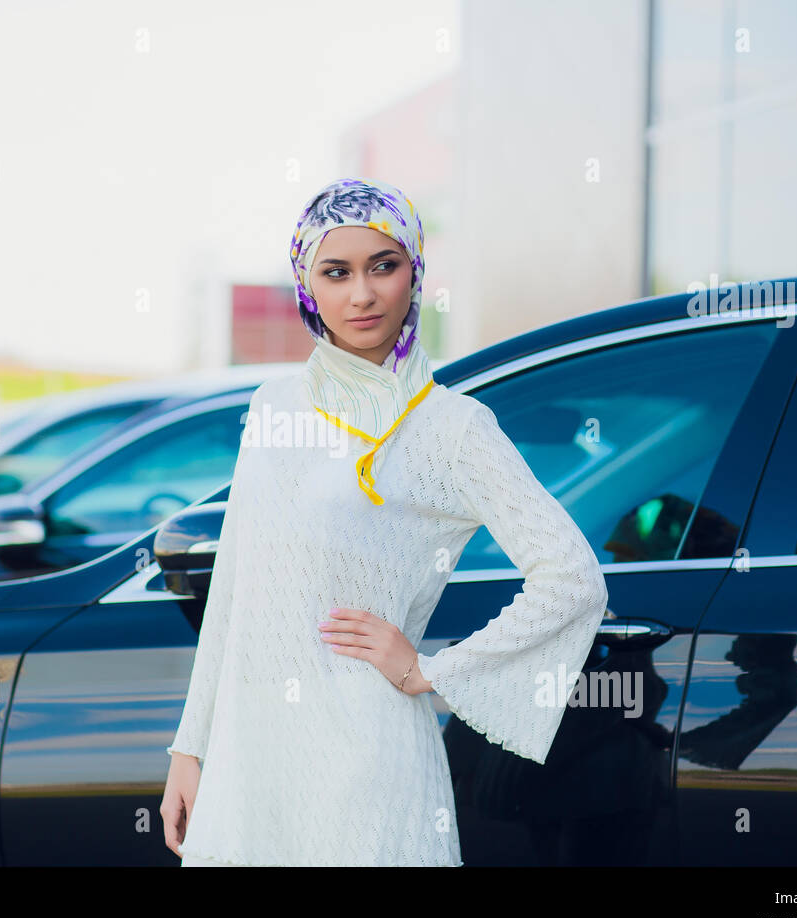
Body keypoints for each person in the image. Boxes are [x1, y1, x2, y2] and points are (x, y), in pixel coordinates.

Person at [159, 176, 608, 866]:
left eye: (384, 266)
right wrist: (190, 749)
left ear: (415, 271)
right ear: (307, 284)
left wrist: (432, 671)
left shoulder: (454, 429)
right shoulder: (274, 408)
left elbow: (573, 579)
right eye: (335, 272)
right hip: (255, 767)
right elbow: (235, 594)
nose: (362, 295)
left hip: (368, 773)